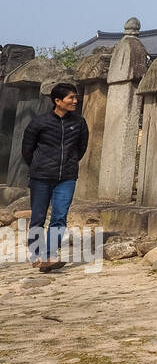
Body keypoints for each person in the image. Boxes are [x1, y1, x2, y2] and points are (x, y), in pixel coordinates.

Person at [21, 81, 89, 272]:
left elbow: (81, 148)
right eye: (71, 97)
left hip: (67, 177)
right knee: (38, 217)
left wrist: (70, 162)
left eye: (75, 97)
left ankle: (49, 256)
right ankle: (36, 254)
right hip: (41, 177)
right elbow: (27, 149)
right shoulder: (39, 123)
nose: (75, 100)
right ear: (57, 101)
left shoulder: (79, 123)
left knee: (59, 216)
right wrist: (38, 166)